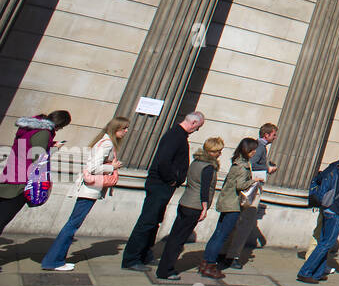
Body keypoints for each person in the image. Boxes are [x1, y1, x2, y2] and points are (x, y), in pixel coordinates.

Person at [121, 110, 204, 270]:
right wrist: (171, 180)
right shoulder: (175, 135)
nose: (196, 130)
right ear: (193, 123)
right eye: (198, 127)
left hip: (164, 186)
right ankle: (131, 259)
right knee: (147, 221)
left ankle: (145, 254)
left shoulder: (178, 135)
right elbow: (163, 161)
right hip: (160, 185)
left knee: (155, 221)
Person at [41, 117, 127, 271]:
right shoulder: (106, 144)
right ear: (116, 129)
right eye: (124, 128)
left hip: (89, 188)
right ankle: (53, 261)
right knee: (72, 224)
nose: (126, 131)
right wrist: (111, 167)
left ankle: (56, 259)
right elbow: (93, 168)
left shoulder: (104, 142)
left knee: (73, 223)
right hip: (90, 189)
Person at [156, 136, 223, 280]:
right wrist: (204, 208)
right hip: (195, 206)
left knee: (175, 236)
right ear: (212, 151)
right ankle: (166, 270)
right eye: (218, 151)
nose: (220, 154)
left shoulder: (196, 162)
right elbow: (205, 190)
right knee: (179, 239)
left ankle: (164, 267)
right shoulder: (208, 167)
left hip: (185, 202)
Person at [297, 143, 339, 284]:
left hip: (326, 206)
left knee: (324, 242)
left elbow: (319, 179)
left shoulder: (337, 164)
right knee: (326, 243)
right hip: (337, 209)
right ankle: (305, 272)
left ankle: (318, 273)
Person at [0, 109, 72, 236]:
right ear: (60, 125)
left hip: (8, 177)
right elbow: (38, 160)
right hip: (20, 184)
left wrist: (48, 145)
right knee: (3, 219)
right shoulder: (44, 133)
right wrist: (54, 149)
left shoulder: (28, 128)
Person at [220, 122, 276, 269]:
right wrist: (268, 168)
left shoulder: (258, 147)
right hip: (250, 189)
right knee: (245, 223)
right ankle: (232, 255)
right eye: (274, 134)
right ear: (267, 134)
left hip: (245, 188)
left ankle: (224, 252)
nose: (275, 137)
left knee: (236, 222)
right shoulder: (259, 148)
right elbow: (250, 165)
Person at [200, 138, 255, 280]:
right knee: (222, 236)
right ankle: (211, 265)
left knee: (218, 233)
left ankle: (206, 262)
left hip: (226, 201)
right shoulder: (243, 167)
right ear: (248, 150)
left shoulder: (236, 162)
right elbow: (240, 185)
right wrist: (254, 181)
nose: (255, 152)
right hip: (233, 204)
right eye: (253, 149)